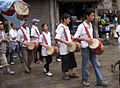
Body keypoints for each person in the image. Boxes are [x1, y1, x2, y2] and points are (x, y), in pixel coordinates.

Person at [74, 8, 107, 86]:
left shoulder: (91, 25)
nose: (93, 17)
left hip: (92, 48)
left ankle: (100, 81)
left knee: (96, 64)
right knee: (85, 65)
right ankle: (84, 80)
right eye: (92, 16)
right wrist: (84, 39)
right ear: (87, 16)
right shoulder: (81, 26)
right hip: (85, 48)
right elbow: (75, 37)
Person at [55, 13, 78, 80]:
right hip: (64, 48)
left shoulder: (66, 27)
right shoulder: (61, 27)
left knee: (71, 60)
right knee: (65, 61)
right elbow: (57, 37)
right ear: (64, 19)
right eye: (68, 19)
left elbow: (66, 35)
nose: (69, 20)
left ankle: (71, 73)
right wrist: (66, 42)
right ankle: (64, 74)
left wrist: (70, 36)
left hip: (69, 47)